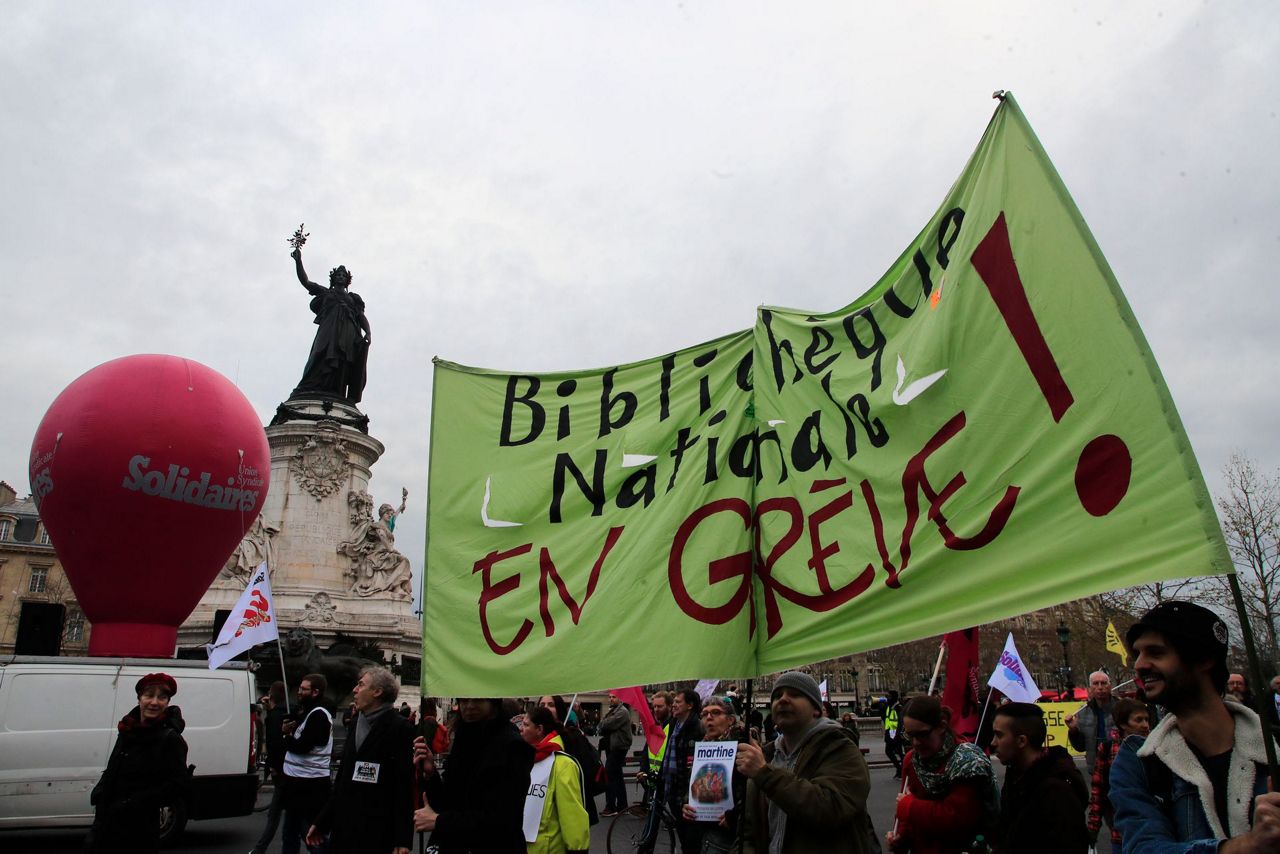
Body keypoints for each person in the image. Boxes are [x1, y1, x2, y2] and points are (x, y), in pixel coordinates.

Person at [1110, 600, 1280, 851]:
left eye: (1156, 653)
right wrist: (1248, 846)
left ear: (1203, 659)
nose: (1139, 665)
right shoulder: (1137, 761)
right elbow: (1144, 847)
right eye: (1138, 654)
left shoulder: (1274, 749)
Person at [736, 671, 875, 853]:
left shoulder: (839, 748)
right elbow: (749, 830)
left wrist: (764, 774)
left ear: (816, 709)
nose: (783, 699)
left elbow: (830, 808)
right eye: (777, 696)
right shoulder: (767, 755)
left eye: (794, 694)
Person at [307, 666, 415, 853]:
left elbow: (403, 787)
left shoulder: (400, 728)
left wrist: (402, 839)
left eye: (361, 685)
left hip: (377, 831)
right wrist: (323, 821)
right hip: (345, 828)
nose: (355, 690)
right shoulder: (357, 722)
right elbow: (342, 779)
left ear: (377, 692)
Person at [415, 697, 535, 852]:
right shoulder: (464, 737)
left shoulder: (513, 746)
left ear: (493, 701)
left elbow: (503, 819)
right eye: (463, 700)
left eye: (477, 700)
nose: (469, 706)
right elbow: (449, 802)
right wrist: (431, 774)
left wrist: (440, 821)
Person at [87, 672, 189, 853]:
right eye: (149, 695)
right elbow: (114, 766)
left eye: (161, 697)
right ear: (139, 698)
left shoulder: (170, 738)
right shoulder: (128, 728)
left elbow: (177, 785)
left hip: (138, 829)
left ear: (167, 702)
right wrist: (101, 791)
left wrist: (132, 803)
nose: (154, 702)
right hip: (106, 824)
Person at [886, 695, 997, 854]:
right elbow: (907, 813)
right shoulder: (911, 760)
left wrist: (910, 807)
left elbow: (958, 818)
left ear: (942, 726)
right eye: (910, 736)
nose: (916, 742)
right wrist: (901, 838)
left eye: (922, 734)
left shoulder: (967, 761)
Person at [989, 702, 1088, 853]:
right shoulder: (1016, 775)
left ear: (1022, 741)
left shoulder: (1057, 791)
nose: (993, 743)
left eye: (999, 735)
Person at [289, 244, 371, 403]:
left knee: (343, 361)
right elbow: (306, 282)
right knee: (319, 353)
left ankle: (337, 391)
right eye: (338, 275)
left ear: (347, 280)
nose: (340, 277)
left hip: (348, 333)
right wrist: (298, 261)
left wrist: (368, 332)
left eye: (343, 275)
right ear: (333, 278)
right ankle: (310, 387)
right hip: (329, 330)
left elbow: (361, 317)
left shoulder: (353, 299)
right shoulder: (326, 292)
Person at [680, 696, 746, 854]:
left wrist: (735, 816)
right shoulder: (701, 747)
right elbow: (692, 784)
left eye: (716, 712)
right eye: (704, 714)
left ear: (730, 720)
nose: (709, 717)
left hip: (728, 835)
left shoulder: (743, 747)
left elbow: (751, 791)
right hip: (701, 832)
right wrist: (687, 804)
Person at [519, 707, 590, 853]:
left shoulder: (563, 764)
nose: (521, 729)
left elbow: (572, 813)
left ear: (539, 729)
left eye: (526, 725)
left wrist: (577, 849)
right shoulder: (521, 758)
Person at [1087, 697, 1151, 853]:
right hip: (1121, 833)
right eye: (1139, 720)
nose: (1145, 725)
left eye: (1147, 719)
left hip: (1152, 831)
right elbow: (1098, 790)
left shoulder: (1154, 747)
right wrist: (1093, 828)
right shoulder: (1108, 748)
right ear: (1122, 724)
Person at [280, 673, 333, 854]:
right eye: (300, 688)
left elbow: (302, 746)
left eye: (304, 689)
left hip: (310, 788)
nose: (299, 692)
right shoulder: (309, 713)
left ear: (316, 692)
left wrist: (286, 736)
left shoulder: (318, 715)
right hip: (298, 785)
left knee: (311, 837)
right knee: (290, 834)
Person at [539, 695, 603, 825]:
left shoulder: (572, 736)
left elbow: (586, 771)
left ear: (559, 710)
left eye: (551, 705)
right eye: (542, 705)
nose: (546, 708)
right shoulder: (534, 735)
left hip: (571, 802)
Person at [663, 689, 706, 852]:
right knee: (684, 840)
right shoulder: (674, 725)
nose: (673, 705)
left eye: (677, 702)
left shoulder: (697, 727)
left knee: (691, 842)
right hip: (675, 791)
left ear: (690, 705)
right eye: (673, 701)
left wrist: (687, 797)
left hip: (689, 795)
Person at [250, 681, 289, 854]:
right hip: (285, 770)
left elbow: (275, 744)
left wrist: (274, 766)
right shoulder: (281, 712)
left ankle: (259, 849)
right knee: (292, 816)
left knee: (275, 814)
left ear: (272, 695)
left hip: (280, 771)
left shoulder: (275, 716)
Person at [1066, 670, 1115, 774]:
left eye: (1104, 683)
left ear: (1110, 686)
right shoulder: (1082, 712)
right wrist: (1073, 731)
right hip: (1096, 768)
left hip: (1119, 766)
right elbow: (1080, 747)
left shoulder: (1121, 708)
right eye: (1096, 683)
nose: (1100, 687)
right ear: (1090, 689)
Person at [597, 694, 632, 816]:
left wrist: (604, 723)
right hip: (613, 746)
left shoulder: (622, 712)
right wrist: (603, 723)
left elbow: (606, 725)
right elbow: (600, 725)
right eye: (610, 697)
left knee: (609, 774)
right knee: (617, 776)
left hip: (619, 747)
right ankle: (622, 806)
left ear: (620, 699)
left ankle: (611, 807)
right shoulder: (613, 711)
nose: (611, 699)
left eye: (614, 697)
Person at [883, 690, 905, 777]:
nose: (887, 698)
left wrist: (898, 733)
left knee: (898, 752)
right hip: (890, 732)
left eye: (889, 696)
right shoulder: (889, 707)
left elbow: (900, 722)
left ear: (893, 697)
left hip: (896, 733)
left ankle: (901, 770)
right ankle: (900, 769)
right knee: (892, 752)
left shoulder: (898, 707)